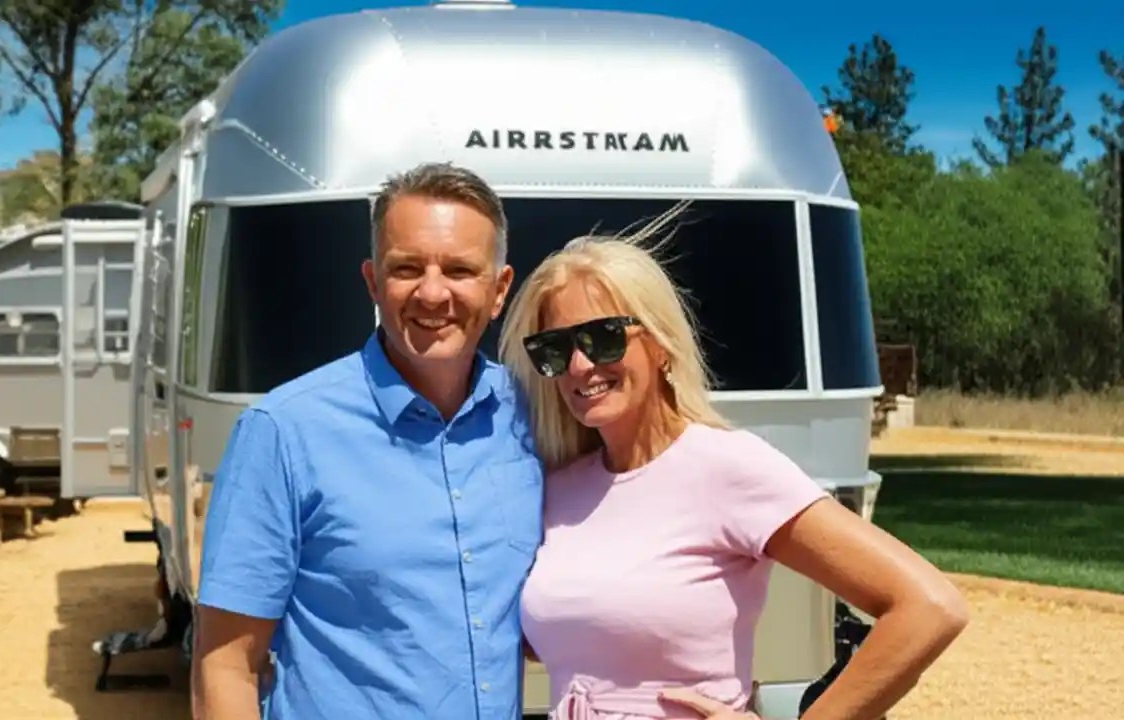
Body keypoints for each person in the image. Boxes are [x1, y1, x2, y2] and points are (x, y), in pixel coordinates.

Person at [496, 203, 969, 720]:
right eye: (555, 349)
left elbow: (928, 608)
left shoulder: (726, 468)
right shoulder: (559, 490)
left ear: (659, 344)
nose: (581, 366)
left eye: (603, 337)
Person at [190, 161, 544, 720]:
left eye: (459, 270)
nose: (433, 293)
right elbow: (227, 661)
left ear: (499, 290)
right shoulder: (284, 432)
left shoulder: (531, 417)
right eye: (407, 269)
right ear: (373, 281)